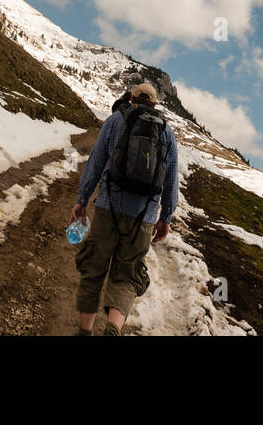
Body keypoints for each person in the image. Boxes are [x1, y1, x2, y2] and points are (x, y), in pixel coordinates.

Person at [70, 82, 179, 335]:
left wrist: (82, 200)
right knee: (127, 275)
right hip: (144, 217)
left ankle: (85, 331)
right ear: (154, 105)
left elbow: (95, 163)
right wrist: (166, 217)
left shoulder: (114, 121)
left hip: (109, 207)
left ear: (131, 98)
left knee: (94, 268)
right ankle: (112, 328)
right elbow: (171, 179)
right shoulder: (167, 133)